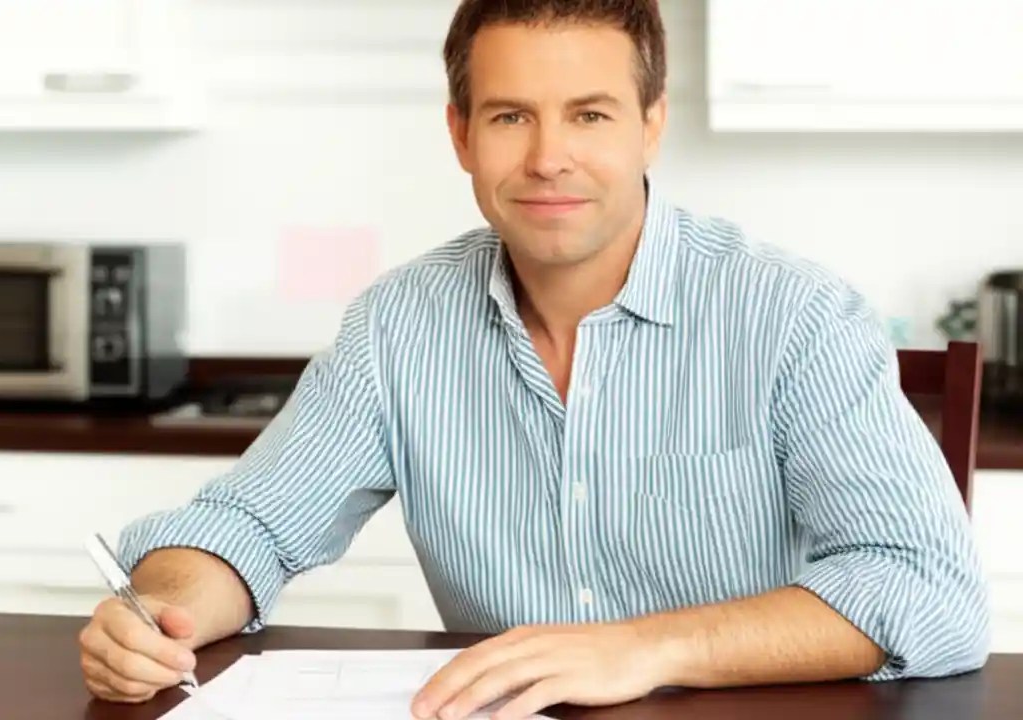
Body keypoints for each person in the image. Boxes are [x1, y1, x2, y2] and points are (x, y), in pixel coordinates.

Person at [78, 1, 990, 717]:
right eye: (512, 115)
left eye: (589, 114)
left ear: (650, 125)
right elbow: (249, 526)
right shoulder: (400, 325)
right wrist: (159, 613)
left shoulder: (796, 317)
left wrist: (646, 648)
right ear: (461, 134)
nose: (550, 158)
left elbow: (925, 590)